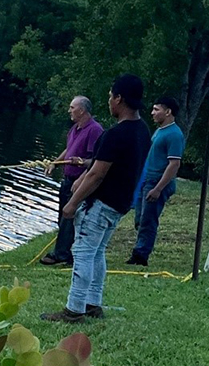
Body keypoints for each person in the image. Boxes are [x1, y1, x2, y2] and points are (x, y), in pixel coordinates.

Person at [42, 75, 150, 323]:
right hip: (120, 204)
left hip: (100, 205)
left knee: (82, 252)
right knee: (97, 252)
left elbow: (98, 175)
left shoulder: (116, 134)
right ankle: (93, 303)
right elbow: (102, 167)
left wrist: (72, 203)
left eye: (111, 96)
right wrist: (83, 177)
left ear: (119, 98)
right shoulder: (142, 131)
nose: (109, 101)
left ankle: (74, 309)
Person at [40, 97, 104, 266]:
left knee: (70, 216)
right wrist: (55, 163)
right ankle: (66, 252)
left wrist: (82, 169)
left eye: (72, 107)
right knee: (62, 214)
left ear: (82, 110)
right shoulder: (75, 128)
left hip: (80, 181)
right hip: (67, 179)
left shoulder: (94, 130)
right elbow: (69, 148)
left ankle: (61, 254)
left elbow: (96, 160)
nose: (69, 110)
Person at [128, 97, 185, 266]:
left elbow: (174, 164)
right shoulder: (160, 130)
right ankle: (140, 248)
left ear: (168, 112)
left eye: (156, 109)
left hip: (157, 182)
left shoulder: (175, 134)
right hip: (146, 179)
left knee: (148, 219)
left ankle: (140, 256)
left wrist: (159, 188)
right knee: (139, 218)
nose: (152, 113)